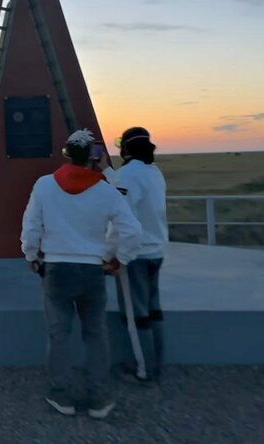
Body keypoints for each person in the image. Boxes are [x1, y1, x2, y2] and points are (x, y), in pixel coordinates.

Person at [21, 129, 142, 419]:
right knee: (96, 334)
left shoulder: (44, 185)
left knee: (58, 335)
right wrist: (120, 259)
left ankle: (61, 394)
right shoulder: (106, 191)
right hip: (92, 270)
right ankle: (98, 397)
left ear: (67, 154)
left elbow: (31, 226)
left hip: (56, 270)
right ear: (94, 157)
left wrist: (31, 255)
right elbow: (132, 231)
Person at [100, 126, 168, 385]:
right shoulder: (154, 172)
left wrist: (112, 256)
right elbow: (126, 189)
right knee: (153, 311)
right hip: (156, 252)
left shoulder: (127, 175)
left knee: (136, 315)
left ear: (125, 148)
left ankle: (144, 371)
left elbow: (121, 222)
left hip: (134, 256)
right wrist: (106, 170)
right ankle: (156, 363)